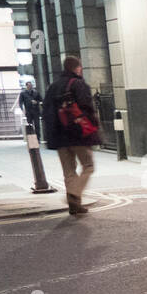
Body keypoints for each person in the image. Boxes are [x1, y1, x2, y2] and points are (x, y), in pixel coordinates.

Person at [41, 56, 102, 216]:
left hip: (59, 137)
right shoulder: (78, 84)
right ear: (77, 68)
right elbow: (87, 108)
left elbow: (46, 113)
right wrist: (94, 131)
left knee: (69, 171)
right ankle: (75, 194)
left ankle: (75, 205)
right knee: (88, 166)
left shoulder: (53, 86)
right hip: (78, 134)